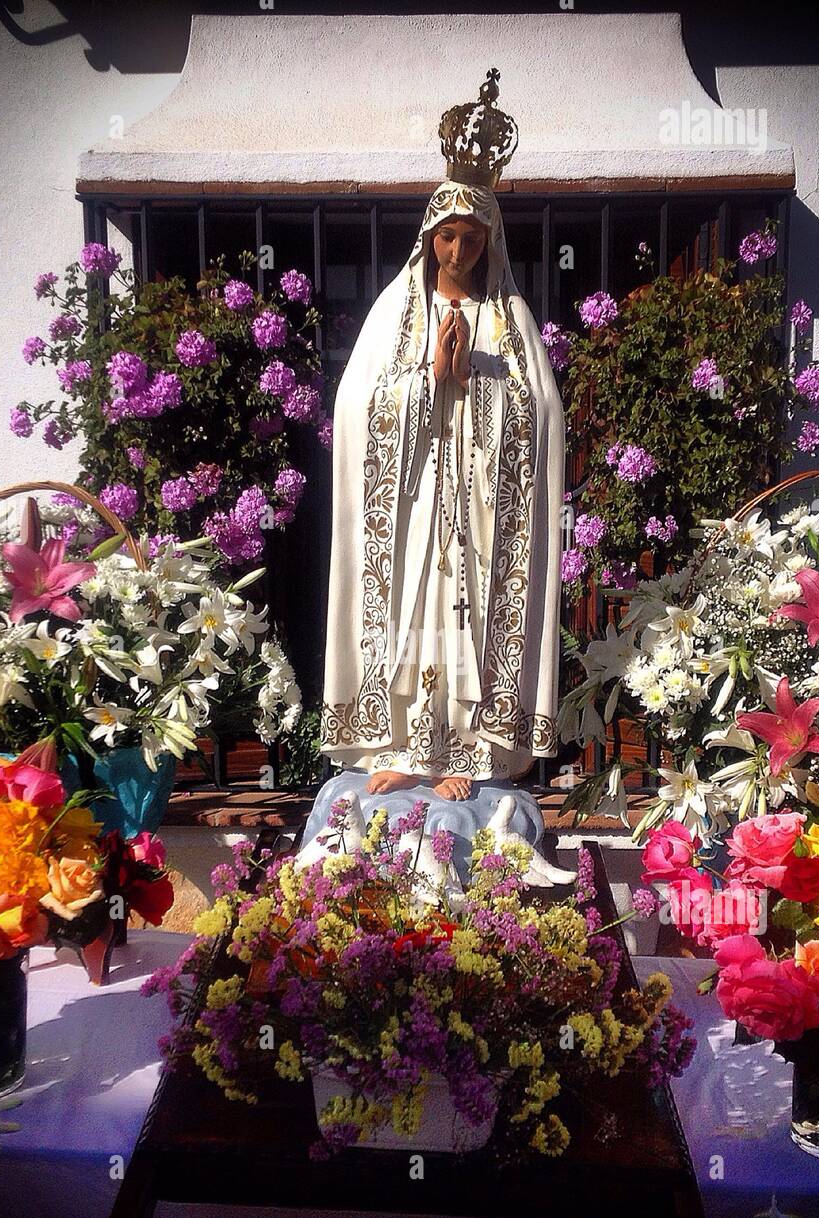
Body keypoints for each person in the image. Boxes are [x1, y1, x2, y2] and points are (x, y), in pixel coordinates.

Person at [320, 80, 564, 802]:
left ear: (490, 242)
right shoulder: (395, 309)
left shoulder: (508, 315)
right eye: (448, 236)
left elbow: (541, 413)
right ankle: (399, 746)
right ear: (429, 239)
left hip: (482, 507)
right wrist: (428, 381)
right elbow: (359, 402)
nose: (459, 250)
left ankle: (467, 753)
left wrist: (477, 382)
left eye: (473, 238)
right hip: (415, 498)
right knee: (408, 612)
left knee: (473, 616)